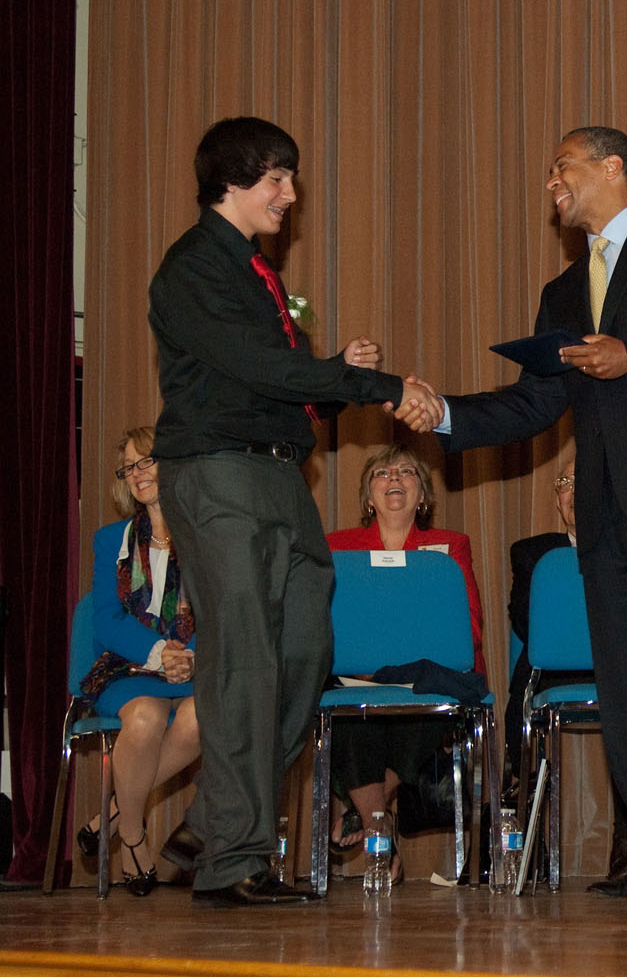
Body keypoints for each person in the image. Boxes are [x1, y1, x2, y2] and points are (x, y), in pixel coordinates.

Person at [396, 125, 627, 897]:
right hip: (605, 512)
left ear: (612, 167)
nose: (551, 184)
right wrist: (443, 416)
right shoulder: (562, 293)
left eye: (560, 166)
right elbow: (536, 403)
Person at [149, 115, 430, 906]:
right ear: (232, 181)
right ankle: (234, 859)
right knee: (244, 665)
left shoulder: (254, 271)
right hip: (218, 474)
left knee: (303, 658)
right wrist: (365, 383)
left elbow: (273, 379)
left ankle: (210, 822)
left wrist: (334, 379)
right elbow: (252, 365)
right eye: (277, 178)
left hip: (279, 476)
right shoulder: (193, 267)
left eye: (291, 178)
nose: (290, 193)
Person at [324, 444, 484, 884]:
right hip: (352, 680)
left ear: (423, 495)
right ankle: (381, 828)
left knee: (424, 714)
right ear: (368, 496)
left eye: (407, 471)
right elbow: (323, 625)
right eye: (381, 472)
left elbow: (468, 627)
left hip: (427, 682)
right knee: (347, 716)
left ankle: (367, 818)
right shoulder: (337, 549)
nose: (394, 477)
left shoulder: (451, 546)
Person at [75, 427, 203, 895]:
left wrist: (188, 657)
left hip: (192, 665)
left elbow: (225, 610)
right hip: (127, 664)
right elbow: (105, 619)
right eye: (130, 467)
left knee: (200, 718)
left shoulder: (207, 532)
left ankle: (105, 816)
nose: (137, 473)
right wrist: (157, 653)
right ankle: (131, 835)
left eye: (146, 460)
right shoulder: (113, 539)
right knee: (146, 718)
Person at [504, 456, 627, 878]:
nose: (576, 492)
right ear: (557, 499)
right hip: (553, 670)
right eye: (566, 483)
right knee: (519, 695)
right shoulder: (533, 554)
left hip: (618, 664)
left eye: (588, 481)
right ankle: (528, 838)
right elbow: (525, 621)